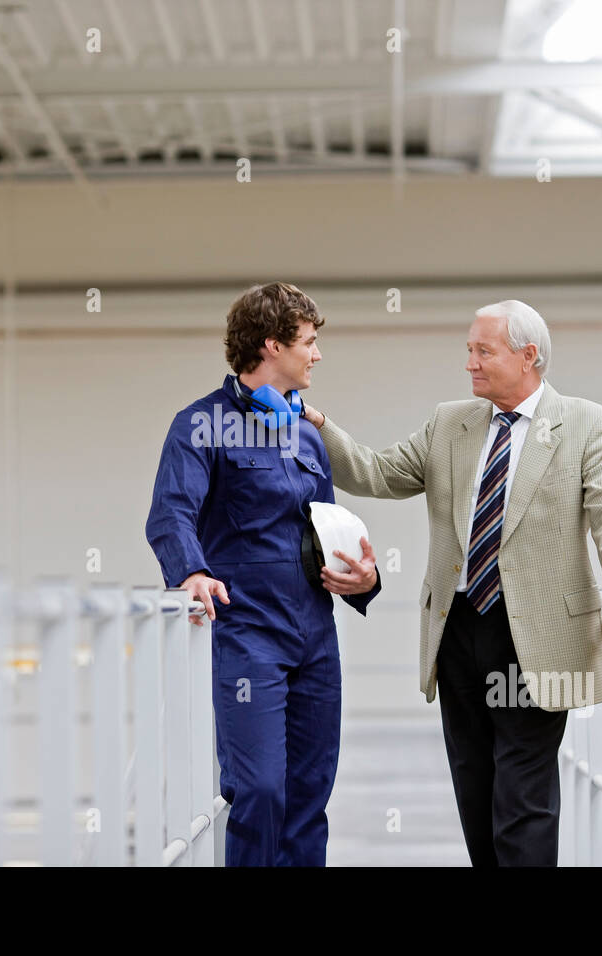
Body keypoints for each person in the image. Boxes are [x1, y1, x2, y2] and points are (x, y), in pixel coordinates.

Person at [300, 299, 602, 866]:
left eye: (482, 351)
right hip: (459, 627)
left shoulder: (588, 423)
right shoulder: (450, 424)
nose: (470, 363)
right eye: (469, 350)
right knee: (474, 780)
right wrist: (318, 424)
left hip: (536, 632)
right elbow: (378, 473)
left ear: (527, 356)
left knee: (524, 788)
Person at [145, 281, 382, 867]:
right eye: (309, 342)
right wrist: (190, 571)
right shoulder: (199, 425)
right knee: (259, 791)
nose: (318, 354)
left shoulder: (307, 432)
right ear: (272, 346)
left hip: (314, 636)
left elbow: (327, 529)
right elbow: (170, 512)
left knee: (309, 794)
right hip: (247, 632)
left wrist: (365, 581)